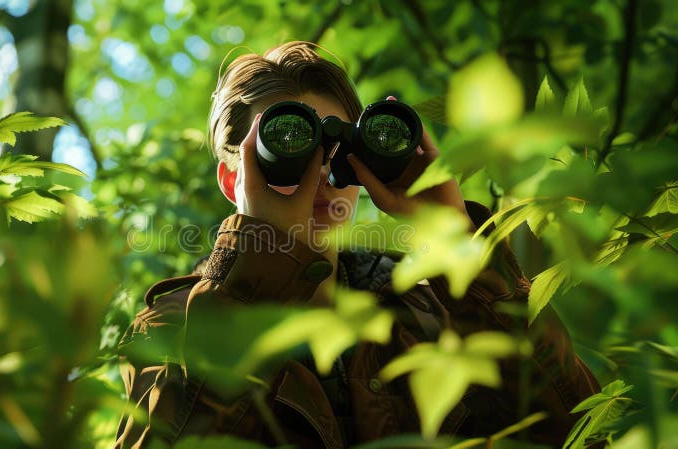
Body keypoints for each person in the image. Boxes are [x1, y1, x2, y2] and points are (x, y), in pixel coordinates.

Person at [113, 41, 599, 449]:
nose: (320, 175)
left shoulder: (428, 311)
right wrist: (261, 256)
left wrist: (454, 241)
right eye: (288, 149)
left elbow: (578, 432)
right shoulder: (174, 326)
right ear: (231, 180)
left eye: (339, 154)